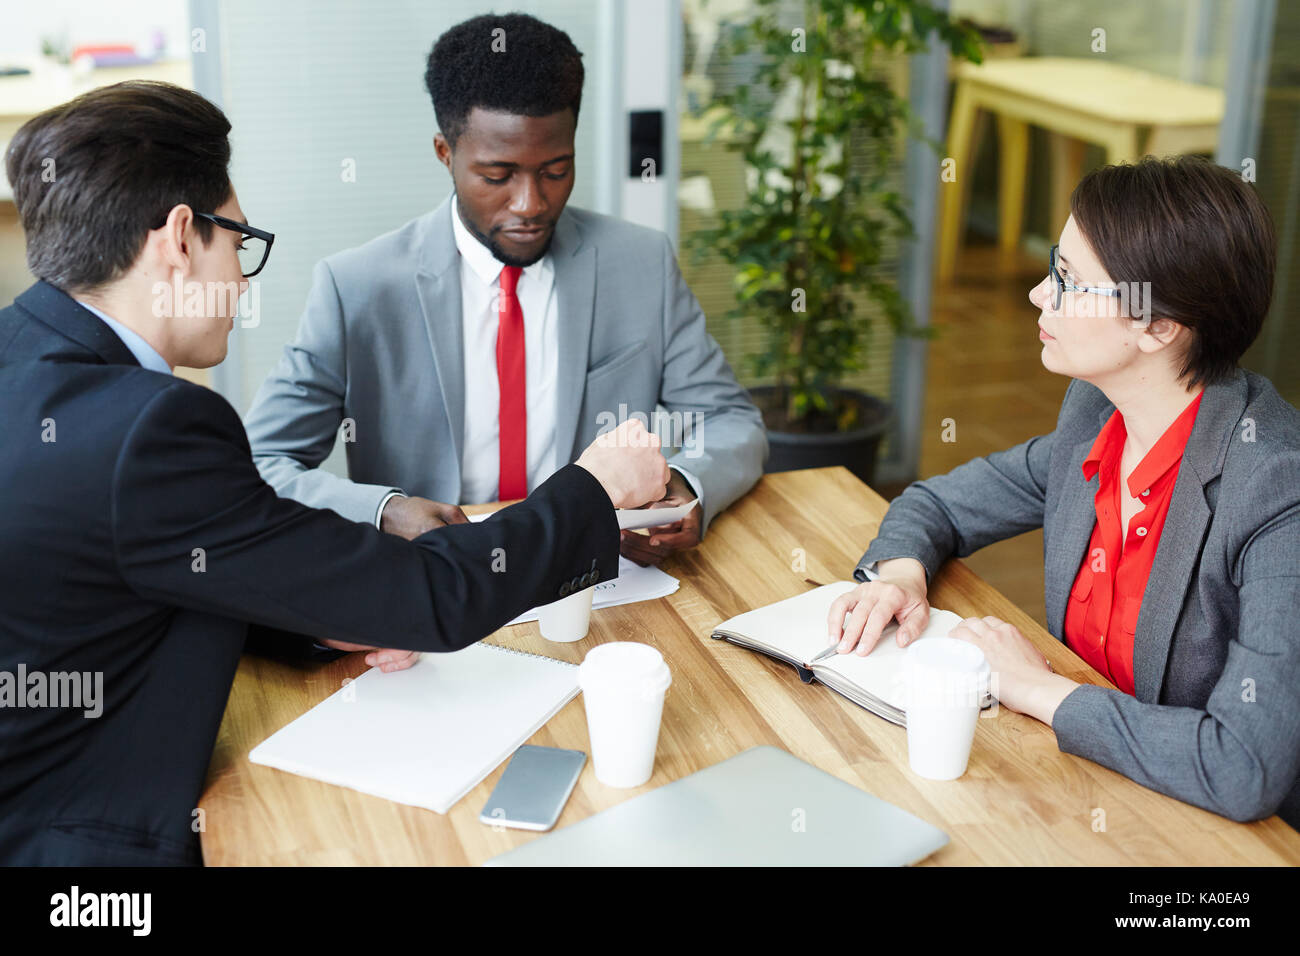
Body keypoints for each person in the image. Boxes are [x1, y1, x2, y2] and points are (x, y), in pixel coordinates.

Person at [0, 80, 669, 865]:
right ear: (180, 238)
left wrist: (320, 613)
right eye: (238, 243)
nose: (244, 282)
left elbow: (121, 577)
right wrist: (595, 486)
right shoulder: (150, 429)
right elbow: (434, 597)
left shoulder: (25, 354)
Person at [829, 155, 1300, 828]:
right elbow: (937, 503)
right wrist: (900, 573)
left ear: (1158, 326)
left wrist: (1037, 690)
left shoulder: (1277, 487)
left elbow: (1243, 766)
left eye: (1070, 282)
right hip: (1087, 794)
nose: (1038, 295)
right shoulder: (1100, 413)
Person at [241, 12, 767, 567]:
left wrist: (689, 484)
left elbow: (729, 420)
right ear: (446, 154)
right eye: (498, 176)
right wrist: (385, 511)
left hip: (596, 578)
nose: (530, 204)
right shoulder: (356, 288)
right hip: (435, 580)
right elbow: (259, 463)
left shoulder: (639, 262)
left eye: (555, 170)